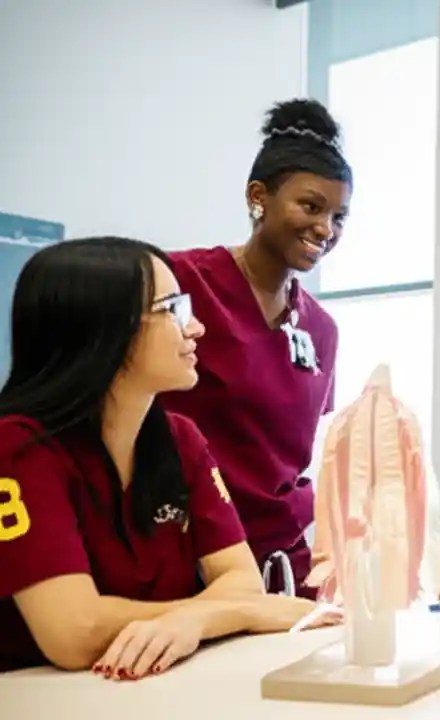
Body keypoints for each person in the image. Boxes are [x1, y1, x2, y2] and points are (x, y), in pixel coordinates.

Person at [0, 238, 337, 677]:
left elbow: (243, 582)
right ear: (106, 329)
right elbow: (73, 632)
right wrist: (239, 612)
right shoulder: (17, 448)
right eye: (174, 309)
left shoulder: (180, 439)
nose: (196, 327)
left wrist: (195, 619)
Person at [161, 99, 349, 597]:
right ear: (258, 197)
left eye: (338, 217)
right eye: (311, 207)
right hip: (187, 548)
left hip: (285, 558)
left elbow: (292, 458)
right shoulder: (182, 282)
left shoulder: (322, 329)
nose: (325, 230)